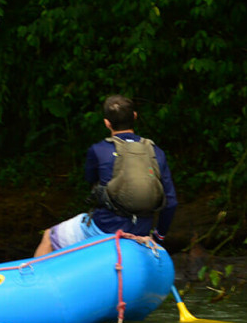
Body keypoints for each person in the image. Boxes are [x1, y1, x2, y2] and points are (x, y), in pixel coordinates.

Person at [33, 94, 177, 257]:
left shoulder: (98, 150)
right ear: (135, 116)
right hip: (141, 230)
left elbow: (91, 181)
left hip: (104, 227)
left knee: (48, 237)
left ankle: (33, 280)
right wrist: (158, 236)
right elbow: (170, 203)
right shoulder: (155, 152)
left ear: (107, 123)